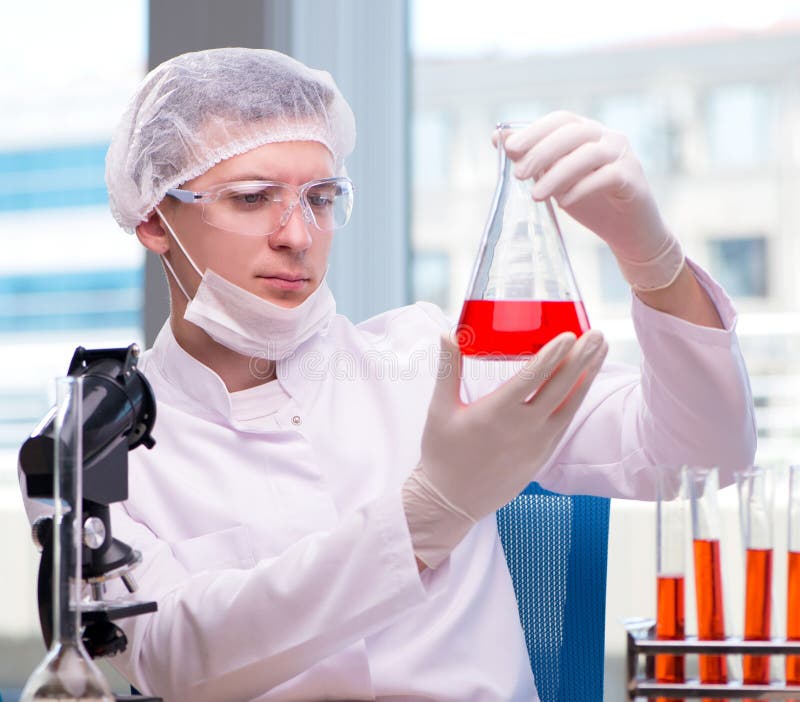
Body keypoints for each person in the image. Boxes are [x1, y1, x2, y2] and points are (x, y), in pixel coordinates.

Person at [20, 48, 755, 701]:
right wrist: (429, 511)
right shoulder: (91, 443)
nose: (298, 235)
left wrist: (652, 260)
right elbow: (174, 660)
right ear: (153, 217)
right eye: (252, 198)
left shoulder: (428, 359)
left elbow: (700, 456)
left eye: (321, 198)